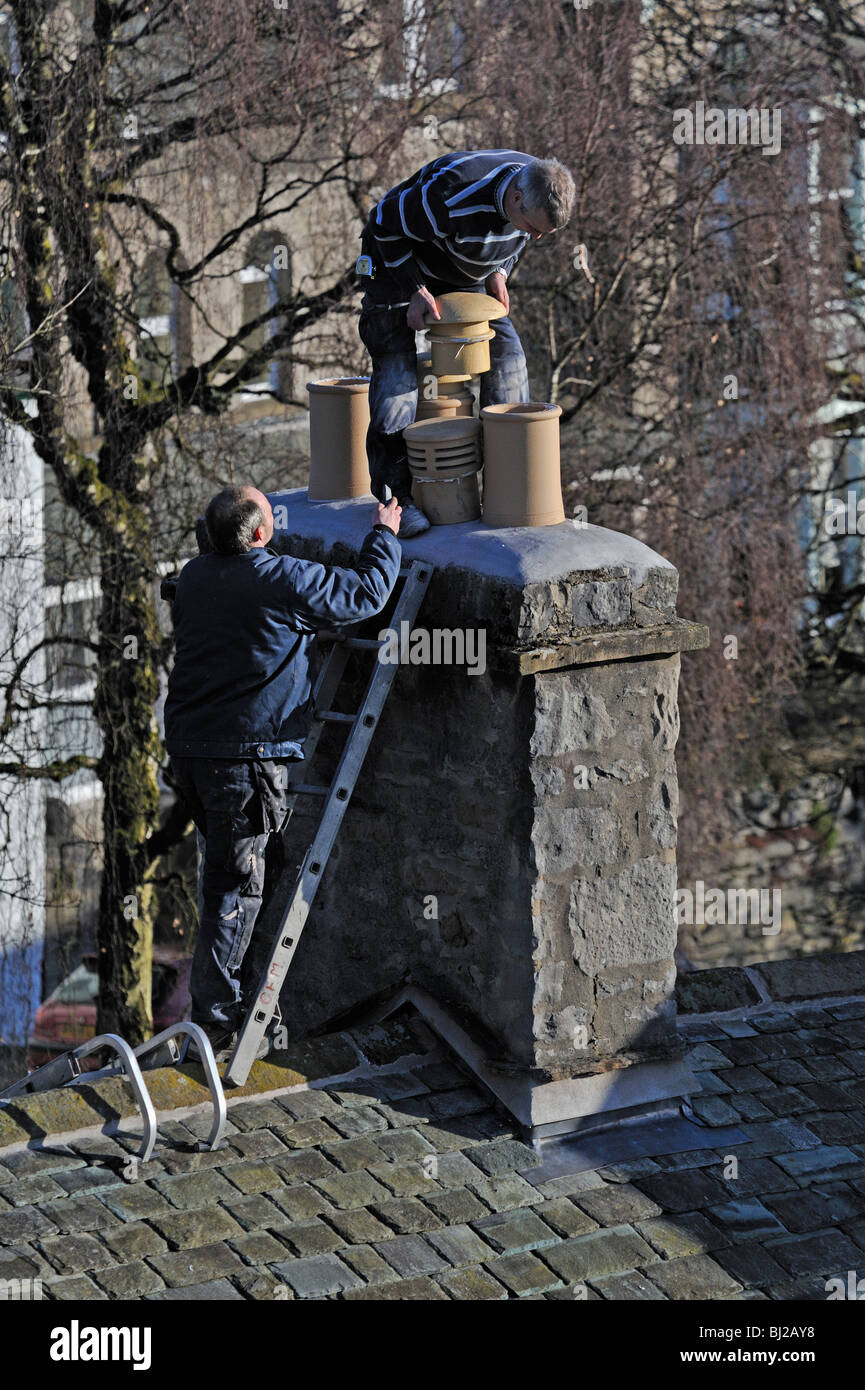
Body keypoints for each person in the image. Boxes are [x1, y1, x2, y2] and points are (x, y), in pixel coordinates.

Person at [164, 484, 402, 1058]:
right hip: (243, 760)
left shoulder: (194, 579)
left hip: (193, 754)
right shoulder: (278, 579)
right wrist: (384, 534)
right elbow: (364, 594)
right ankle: (218, 1024)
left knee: (227, 874)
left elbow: (228, 557)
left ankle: (225, 1005)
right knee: (235, 888)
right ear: (263, 536)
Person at [357, 150, 576, 536]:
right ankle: (396, 501)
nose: (535, 236)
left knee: (509, 357)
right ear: (515, 198)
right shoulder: (451, 196)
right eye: (532, 226)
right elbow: (382, 224)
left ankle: (507, 486)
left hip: (460, 269)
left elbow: (515, 240)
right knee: (399, 378)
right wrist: (415, 288)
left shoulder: (532, 191)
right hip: (396, 268)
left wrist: (499, 272)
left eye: (543, 233)